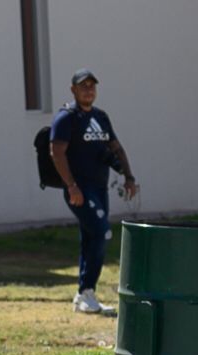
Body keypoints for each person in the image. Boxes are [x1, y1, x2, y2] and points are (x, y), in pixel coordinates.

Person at [49, 68, 138, 316]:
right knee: (101, 232)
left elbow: (116, 148)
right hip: (79, 188)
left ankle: (85, 295)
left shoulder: (101, 116)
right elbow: (56, 153)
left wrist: (128, 176)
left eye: (92, 86)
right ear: (73, 90)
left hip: (100, 187)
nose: (88, 90)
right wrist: (71, 186)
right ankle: (86, 291)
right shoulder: (67, 118)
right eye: (83, 86)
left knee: (91, 237)